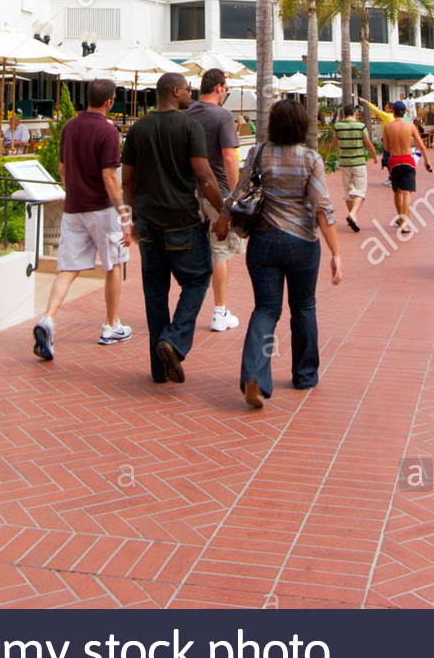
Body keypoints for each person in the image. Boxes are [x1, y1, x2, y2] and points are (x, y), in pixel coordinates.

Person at [215, 99, 341, 410]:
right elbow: (322, 207)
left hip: (264, 243)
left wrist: (223, 216)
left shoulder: (259, 154)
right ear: (302, 126)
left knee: (266, 310)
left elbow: (239, 191)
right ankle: (305, 374)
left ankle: (255, 374)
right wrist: (336, 252)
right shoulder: (311, 159)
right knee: (304, 307)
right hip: (302, 244)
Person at [121, 72, 224, 385]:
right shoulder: (188, 127)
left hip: (150, 224)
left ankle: (158, 367)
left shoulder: (138, 129)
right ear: (176, 91)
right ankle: (175, 341)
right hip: (182, 221)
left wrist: (134, 217)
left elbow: (127, 179)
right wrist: (225, 211)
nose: (189, 93)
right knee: (198, 278)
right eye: (187, 89)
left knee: (155, 294)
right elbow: (205, 177)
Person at [33, 78, 130, 361]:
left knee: (68, 269)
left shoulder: (69, 127)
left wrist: (73, 189)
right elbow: (110, 176)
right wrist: (123, 214)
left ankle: (48, 318)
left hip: (74, 208)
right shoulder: (109, 132)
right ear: (110, 101)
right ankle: (111, 325)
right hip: (102, 209)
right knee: (114, 264)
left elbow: (62, 168)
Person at [187, 67, 242, 332]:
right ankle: (219, 311)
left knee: (197, 252)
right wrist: (235, 196)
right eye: (226, 88)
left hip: (189, 193)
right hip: (217, 192)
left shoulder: (186, 115)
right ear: (219, 87)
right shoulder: (222, 116)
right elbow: (230, 158)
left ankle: (191, 307)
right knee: (220, 251)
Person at [382, 100, 433, 231]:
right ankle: (405, 223)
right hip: (408, 160)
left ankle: (400, 218)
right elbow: (421, 146)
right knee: (407, 193)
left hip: (394, 161)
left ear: (393, 113)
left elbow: (386, 147)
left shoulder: (387, 127)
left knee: (398, 192)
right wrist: (427, 161)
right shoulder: (410, 126)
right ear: (404, 112)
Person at [333, 101, 376, 231]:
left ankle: (353, 217)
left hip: (345, 163)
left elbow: (335, 143)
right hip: (359, 163)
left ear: (344, 114)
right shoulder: (361, 126)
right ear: (354, 113)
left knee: (347, 192)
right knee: (360, 190)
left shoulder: (338, 126)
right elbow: (368, 143)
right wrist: (374, 155)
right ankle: (353, 214)